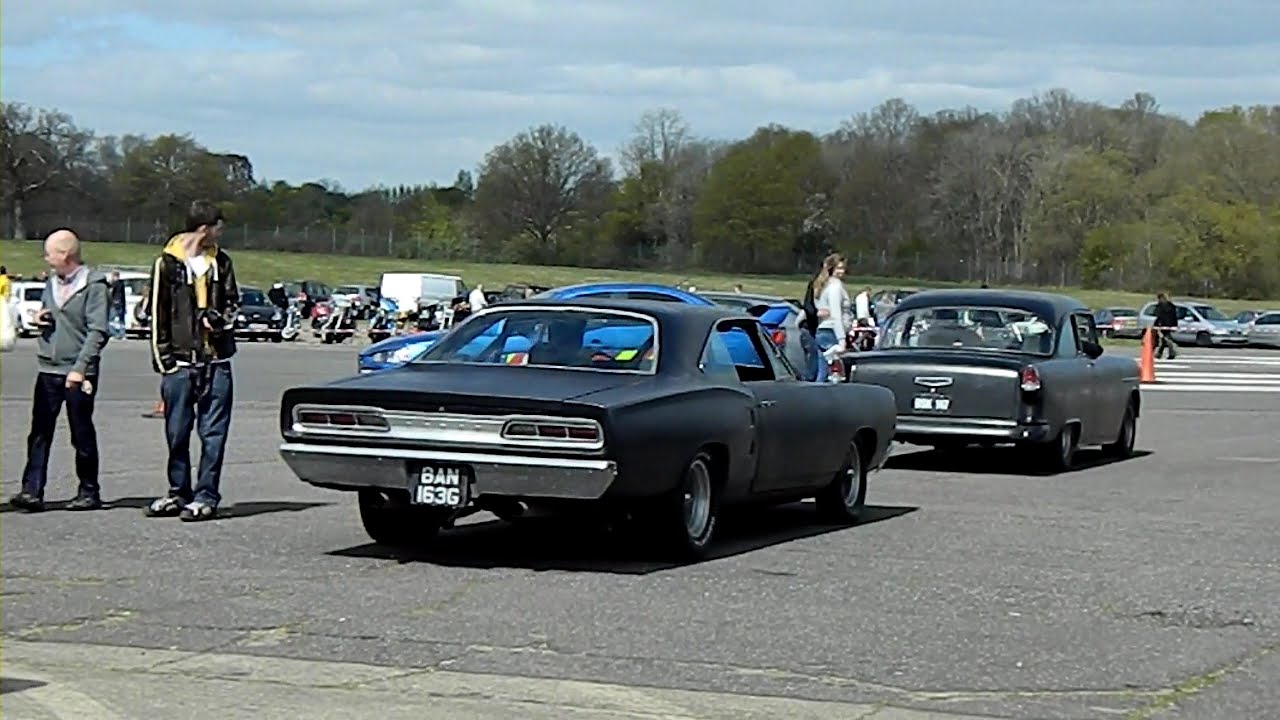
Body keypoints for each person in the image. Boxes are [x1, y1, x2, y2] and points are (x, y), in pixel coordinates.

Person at [144, 200, 239, 522]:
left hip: (216, 359)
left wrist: (221, 321)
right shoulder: (166, 264)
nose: (220, 235)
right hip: (181, 362)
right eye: (218, 228)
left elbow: (233, 304)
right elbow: (157, 314)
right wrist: (165, 362)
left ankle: (206, 494)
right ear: (204, 229)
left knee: (213, 433)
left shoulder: (221, 263)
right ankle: (177, 491)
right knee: (177, 432)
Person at [9, 230, 111, 512]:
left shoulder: (94, 286)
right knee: (39, 431)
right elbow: (50, 312)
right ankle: (31, 490)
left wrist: (80, 368)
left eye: (50, 252)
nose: (46, 258)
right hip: (48, 367)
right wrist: (41, 318)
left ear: (65, 254)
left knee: (80, 431)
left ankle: (89, 490)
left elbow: (98, 331)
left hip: (77, 371)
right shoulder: (51, 283)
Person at [812, 253, 850, 383]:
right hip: (831, 332)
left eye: (843, 268)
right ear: (831, 269)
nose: (842, 271)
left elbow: (820, 308)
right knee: (834, 376)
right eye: (838, 268)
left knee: (823, 373)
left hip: (823, 331)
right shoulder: (835, 287)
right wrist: (841, 339)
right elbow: (836, 314)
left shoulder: (824, 285)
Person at [1153, 292, 1178, 359]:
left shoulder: (1160, 306)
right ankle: (1159, 353)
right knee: (1164, 340)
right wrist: (1175, 325)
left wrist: (1158, 324)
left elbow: (1158, 315)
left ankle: (1172, 352)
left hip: (1162, 325)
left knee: (1163, 339)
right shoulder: (1172, 306)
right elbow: (1175, 317)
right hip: (1170, 325)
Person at [108, 270, 127, 338]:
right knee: (121, 321)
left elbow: (110, 293)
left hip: (114, 304)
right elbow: (123, 296)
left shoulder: (113, 284)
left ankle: (115, 334)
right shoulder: (122, 284)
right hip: (121, 304)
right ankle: (123, 334)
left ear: (114, 276)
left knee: (110, 321)